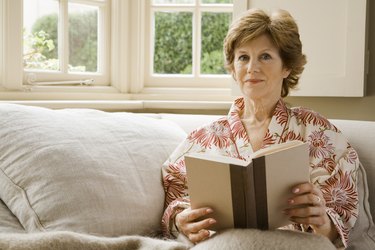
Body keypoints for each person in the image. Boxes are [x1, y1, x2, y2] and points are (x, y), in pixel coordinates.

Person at [161, 8, 359, 248]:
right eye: (243, 57)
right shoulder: (203, 139)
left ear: (287, 67)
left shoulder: (318, 132)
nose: (252, 67)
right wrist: (181, 220)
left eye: (265, 56)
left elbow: (340, 218)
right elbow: (174, 200)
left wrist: (323, 223)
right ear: (233, 68)